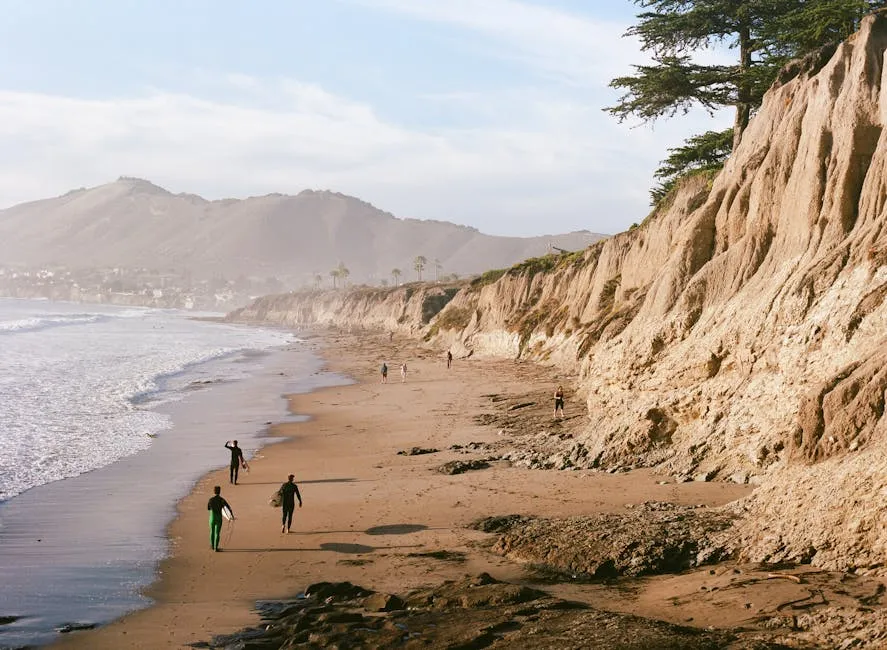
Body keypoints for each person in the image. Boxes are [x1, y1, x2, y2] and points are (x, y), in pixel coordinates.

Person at [207, 485, 233, 552]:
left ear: (214, 491)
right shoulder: (222, 500)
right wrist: (231, 516)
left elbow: (208, 508)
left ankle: (212, 546)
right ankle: (216, 548)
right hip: (219, 518)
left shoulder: (211, 500)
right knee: (217, 533)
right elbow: (228, 508)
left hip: (212, 517)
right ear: (220, 491)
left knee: (212, 532)